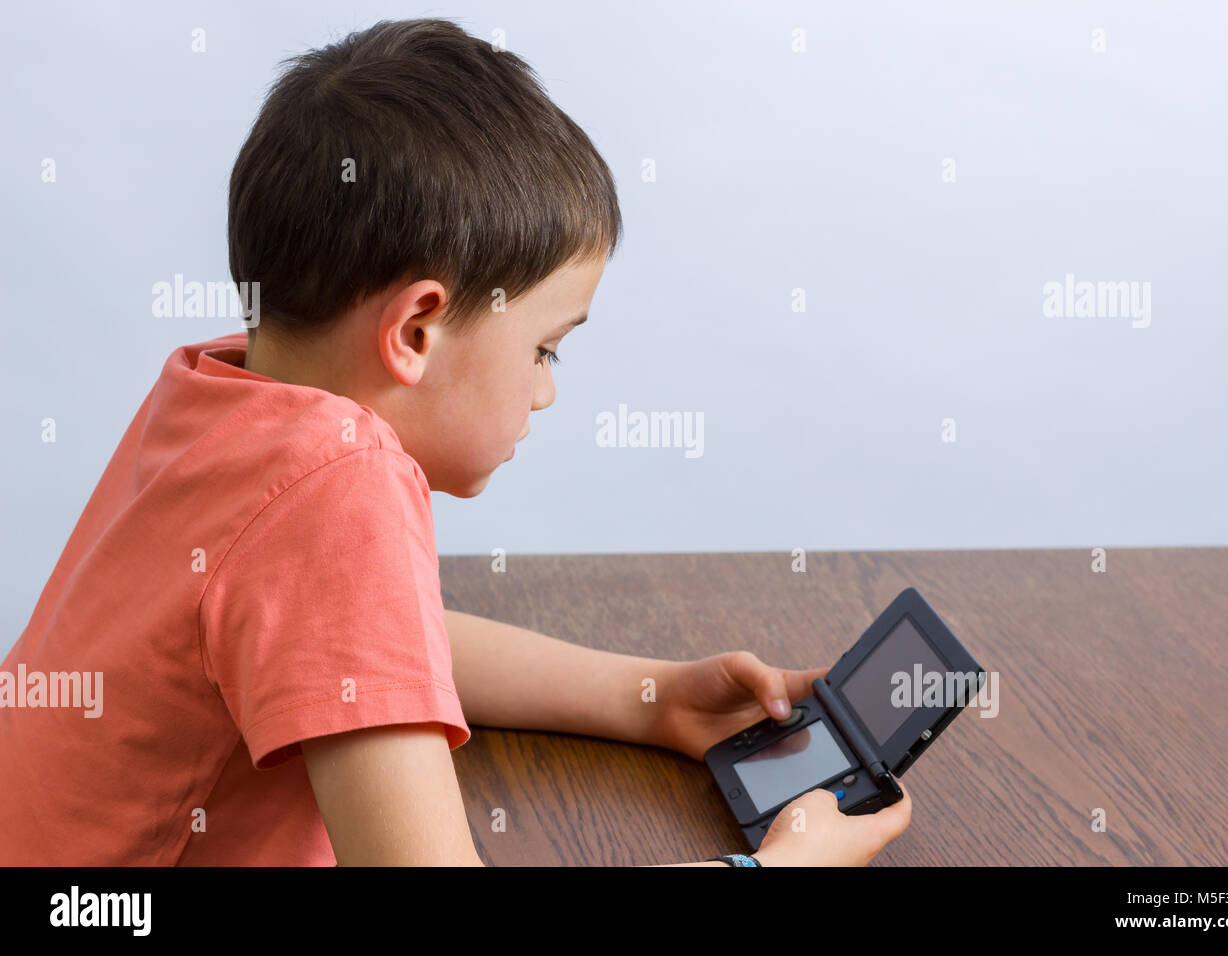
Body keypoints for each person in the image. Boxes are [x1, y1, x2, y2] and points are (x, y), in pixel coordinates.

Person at [0, 17, 910, 866]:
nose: (548, 391)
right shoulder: (336, 482)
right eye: (546, 347)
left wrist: (653, 699)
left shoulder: (221, 394)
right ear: (417, 331)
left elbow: (377, 646)